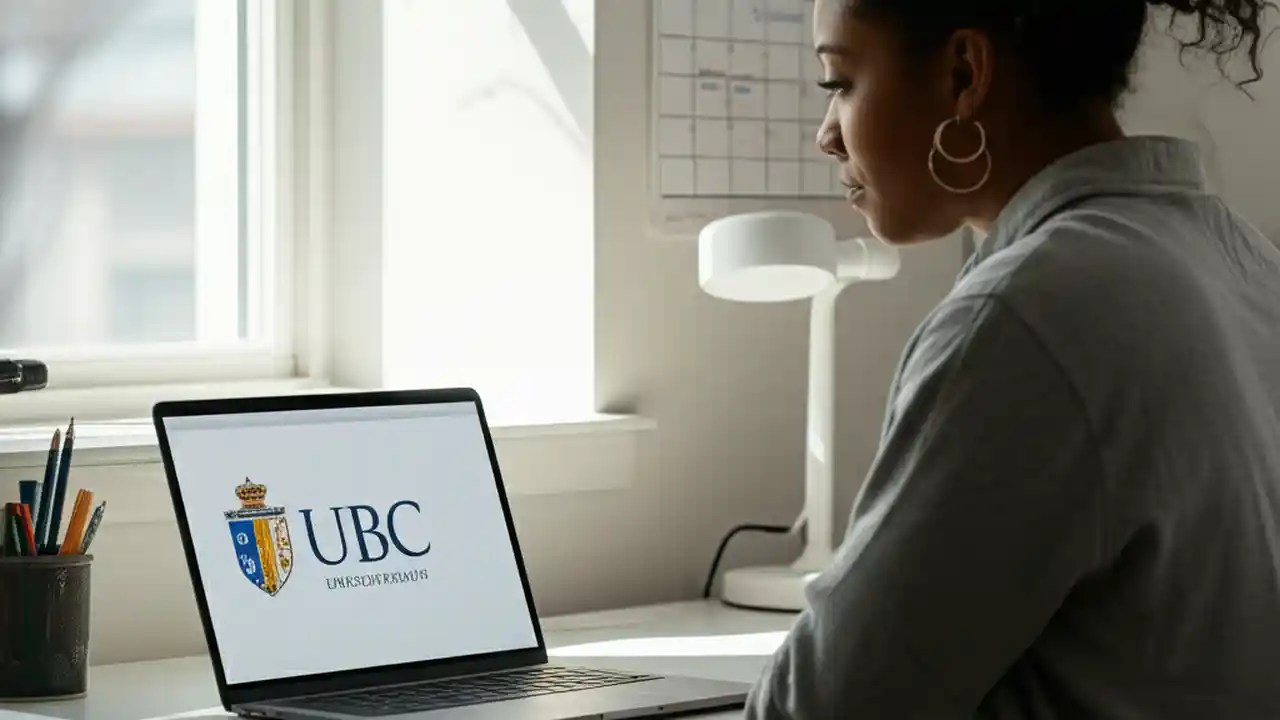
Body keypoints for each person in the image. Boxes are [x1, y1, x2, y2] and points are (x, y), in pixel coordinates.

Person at [746, 0, 1280, 718]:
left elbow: (826, 707)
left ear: (964, 74)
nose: (827, 137)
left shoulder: (1025, 315)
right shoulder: (1244, 260)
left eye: (837, 83)